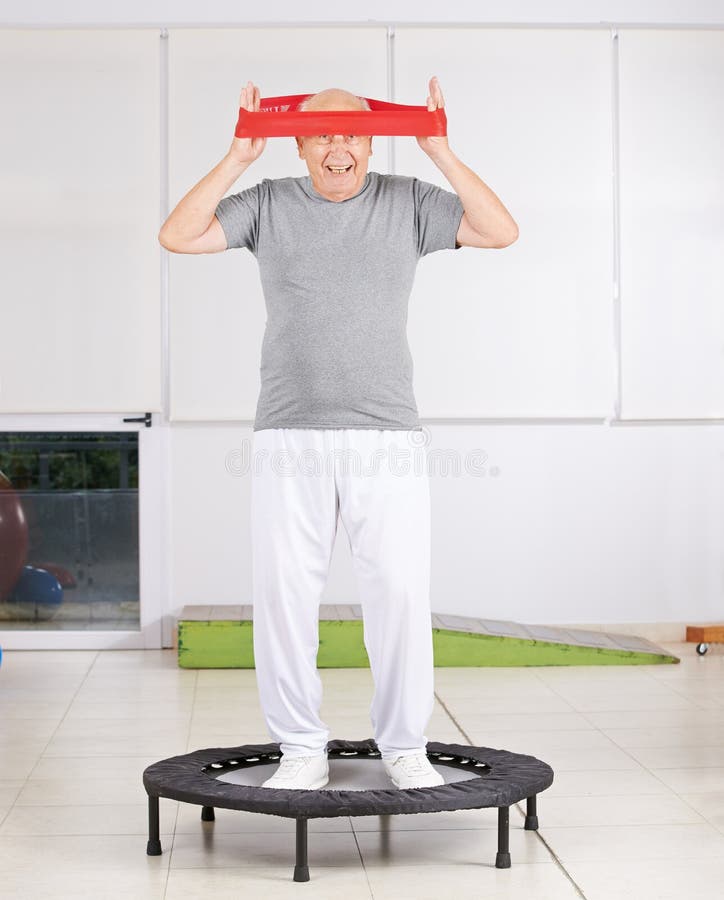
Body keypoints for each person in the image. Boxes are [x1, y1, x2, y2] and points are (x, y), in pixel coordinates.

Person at [159, 77, 518, 790]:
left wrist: (439, 150)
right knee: (285, 594)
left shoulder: (408, 201)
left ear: (371, 142)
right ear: (298, 145)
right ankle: (299, 747)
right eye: (322, 134)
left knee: (400, 594)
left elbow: (499, 230)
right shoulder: (267, 203)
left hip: (386, 435)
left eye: (351, 133)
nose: (338, 146)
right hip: (287, 433)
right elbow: (178, 235)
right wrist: (238, 155)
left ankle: (404, 746)